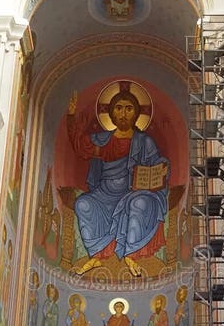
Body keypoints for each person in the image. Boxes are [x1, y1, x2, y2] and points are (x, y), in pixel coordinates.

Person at [67, 84, 169, 277]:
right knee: (83, 203)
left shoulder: (144, 141)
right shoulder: (102, 140)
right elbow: (81, 147)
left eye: (129, 108)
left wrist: (162, 166)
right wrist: (71, 117)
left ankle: (130, 254)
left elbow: (157, 163)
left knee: (139, 203)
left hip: (134, 191)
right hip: (104, 193)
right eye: (119, 108)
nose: (123, 113)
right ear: (111, 114)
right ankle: (97, 254)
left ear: (137, 113)